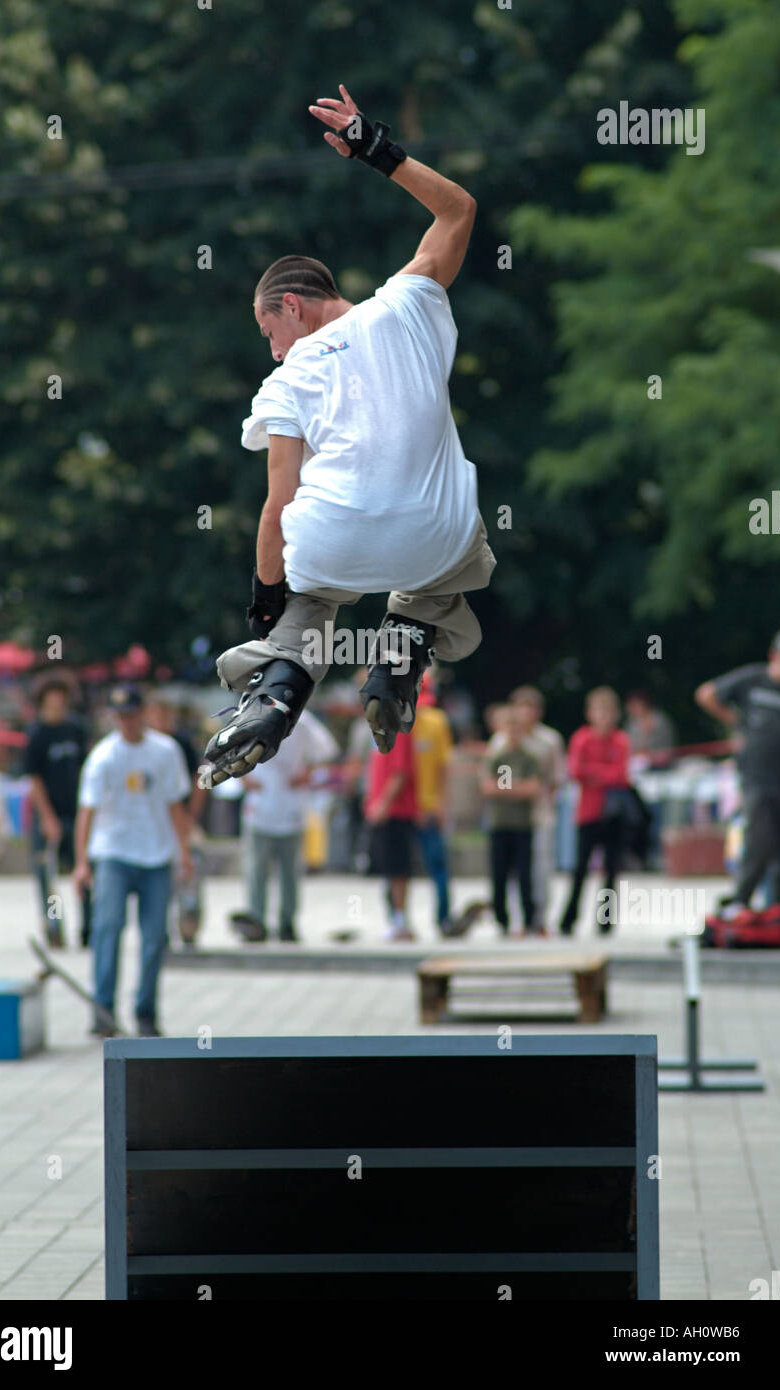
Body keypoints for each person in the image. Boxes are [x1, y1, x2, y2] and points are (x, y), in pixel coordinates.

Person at [198, 81, 495, 791]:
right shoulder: (408, 304)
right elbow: (459, 208)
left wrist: (268, 605)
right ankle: (397, 661)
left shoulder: (288, 378)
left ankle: (271, 701)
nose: (273, 351)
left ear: (291, 308)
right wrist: (377, 150)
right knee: (453, 559)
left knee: (306, 599)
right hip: (433, 536)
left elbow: (276, 510)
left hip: (335, 542)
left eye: (270, 332)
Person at [73, 685, 194, 1038]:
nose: (126, 723)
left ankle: (145, 1011)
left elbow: (176, 804)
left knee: (155, 935)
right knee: (107, 929)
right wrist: (82, 863)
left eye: (131, 716)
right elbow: (87, 811)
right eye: (120, 717)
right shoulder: (104, 756)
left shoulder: (165, 751)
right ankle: (103, 1009)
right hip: (113, 853)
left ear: (143, 714)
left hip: (156, 854)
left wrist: (184, 852)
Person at [695, 629, 780, 918]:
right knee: (759, 840)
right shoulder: (753, 680)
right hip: (757, 776)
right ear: (775, 657)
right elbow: (707, 693)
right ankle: (741, 899)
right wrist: (736, 722)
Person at [233, 709, 338, 943]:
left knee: (290, 872)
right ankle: (256, 920)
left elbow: (326, 751)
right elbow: (229, 750)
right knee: (256, 870)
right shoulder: (251, 712)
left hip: (290, 806)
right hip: (260, 806)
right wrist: (243, 776)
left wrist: (307, 774)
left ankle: (287, 922)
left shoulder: (302, 719)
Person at [558, 687, 631, 936]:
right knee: (580, 869)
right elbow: (576, 771)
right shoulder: (582, 739)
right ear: (590, 714)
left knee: (611, 871)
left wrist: (594, 773)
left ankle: (605, 921)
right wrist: (604, 774)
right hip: (588, 812)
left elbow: (621, 774)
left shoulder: (620, 740)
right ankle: (568, 919)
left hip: (613, 815)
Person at [24, 677, 89, 949]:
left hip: (76, 812)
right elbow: (35, 780)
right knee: (46, 875)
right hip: (48, 813)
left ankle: (89, 925)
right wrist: (47, 817)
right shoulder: (37, 735)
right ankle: (53, 924)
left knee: (84, 869)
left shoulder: (76, 729)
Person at [145, 694, 206, 947]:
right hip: (155, 821)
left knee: (190, 872)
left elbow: (199, 778)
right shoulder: (145, 745)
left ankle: (189, 924)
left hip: (181, 816)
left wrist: (191, 815)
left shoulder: (182, 743)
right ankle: (159, 929)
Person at [508, 686, 566, 933]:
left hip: (540, 813)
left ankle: (540, 917)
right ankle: (519, 918)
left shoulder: (549, 741)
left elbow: (556, 778)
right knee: (515, 869)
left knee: (541, 869)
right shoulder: (503, 740)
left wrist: (543, 797)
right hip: (513, 815)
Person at [481, 706, 543, 935]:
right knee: (499, 875)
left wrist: (505, 789)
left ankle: (528, 919)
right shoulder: (497, 756)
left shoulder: (528, 758)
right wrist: (516, 789)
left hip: (522, 824)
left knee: (525, 875)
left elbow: (533, 789)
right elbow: (487, 787)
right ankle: (501, 919)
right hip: (500, 823)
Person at [364, 731, 419, 942]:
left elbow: (400, 772)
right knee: (388, 869)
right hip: (381, 811)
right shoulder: (377, 729)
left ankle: (400, 920)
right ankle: (394, 919)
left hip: (396, 811)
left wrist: (382, 804)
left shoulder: (398, 731)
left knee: (398, 870)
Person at [412, 672, 455, 934]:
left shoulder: (437, 723)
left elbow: (443, 768)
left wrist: (441, 806)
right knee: (399, 868)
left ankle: (443, 918)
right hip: (406, 808)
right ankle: (400, 920)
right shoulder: (395, 720)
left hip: (429, 807)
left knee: (438, 866)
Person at [624, 690, 676, 769]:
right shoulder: (632, 724)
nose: (631, 708)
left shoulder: (659, 719)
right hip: (640, 764)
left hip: (663, 763)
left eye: (635, 705)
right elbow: (630, 747)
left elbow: (667, 745)